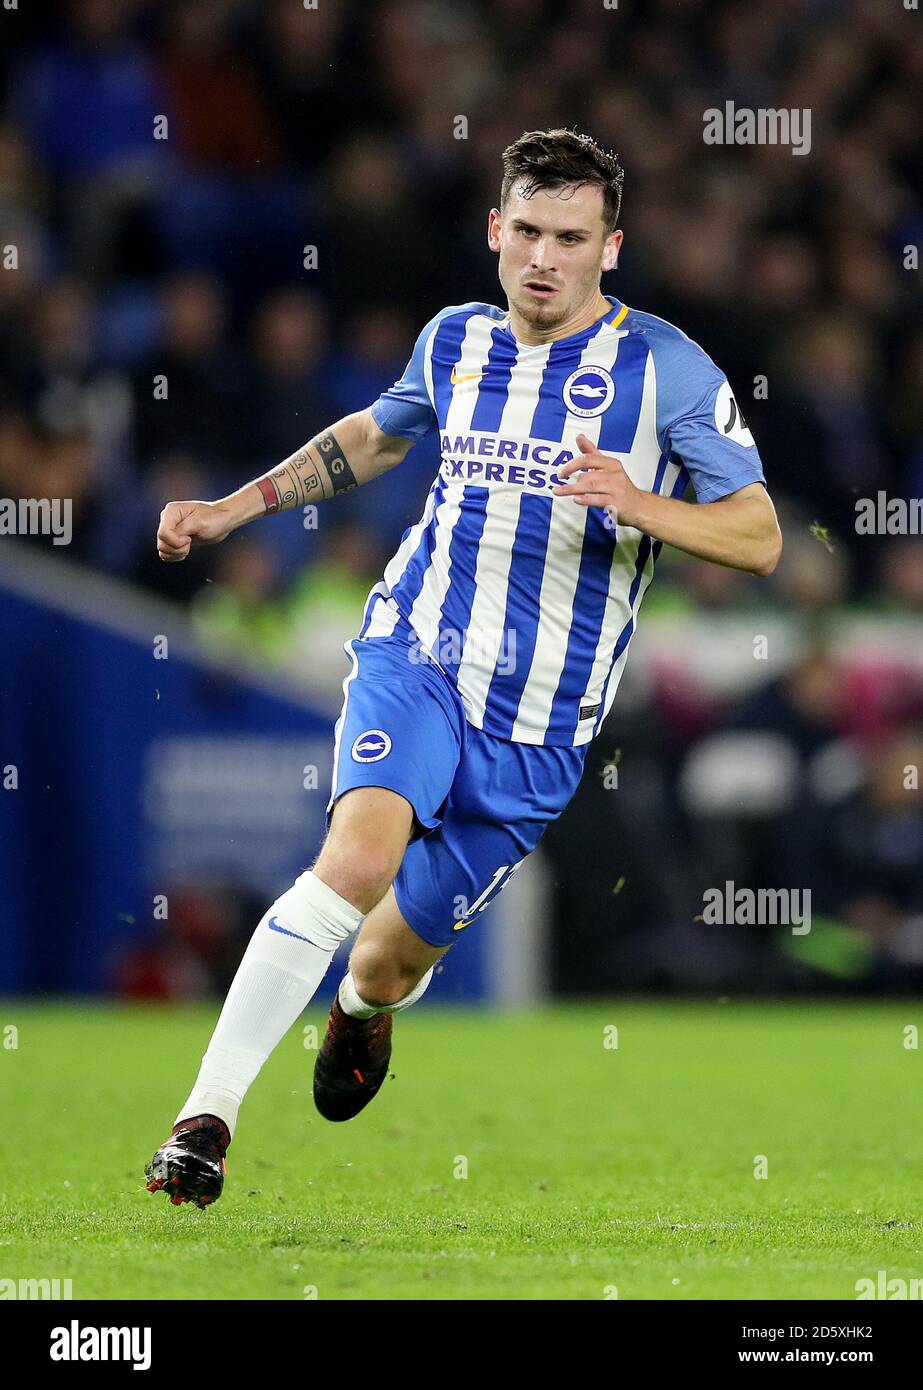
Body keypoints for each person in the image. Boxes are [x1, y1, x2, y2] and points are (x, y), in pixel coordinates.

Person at [146, 129, 781, 1208]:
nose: (542, 257)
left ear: (608, 248)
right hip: (418, 654)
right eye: (525, 231)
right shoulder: (454, 341)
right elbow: (376, 437)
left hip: (538, 728)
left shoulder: (665, 368)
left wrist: (637, 501)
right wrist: (231, 505)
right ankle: (202, 1121)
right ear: (495, 229)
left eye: (569, 238)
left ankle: (358, 1003)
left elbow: (758, 535)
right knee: (352, 858)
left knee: (389, 958)